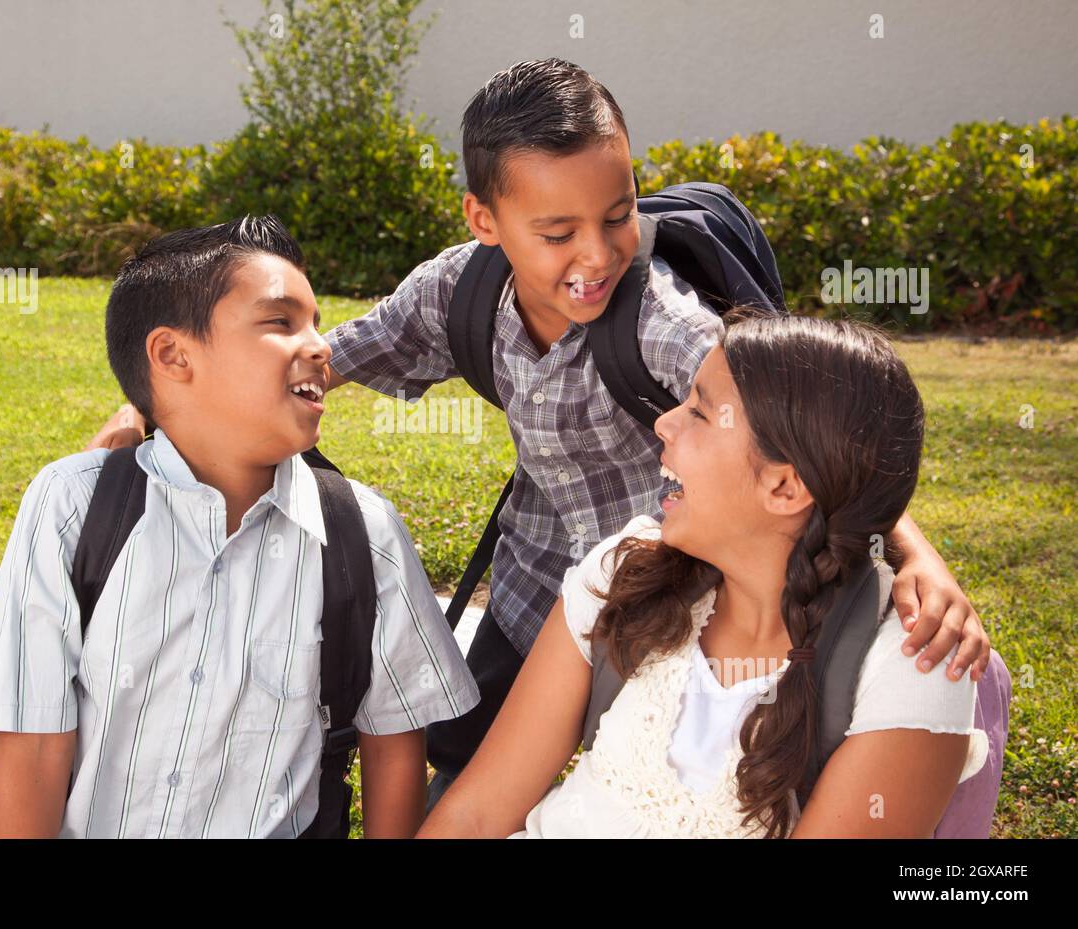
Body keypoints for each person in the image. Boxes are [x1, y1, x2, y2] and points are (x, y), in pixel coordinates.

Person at [87, 59, 992, 809]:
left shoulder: (666, 327)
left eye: (617, 215)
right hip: (538, 587)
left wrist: (910, 551)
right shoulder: (460, 291)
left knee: (664, 767)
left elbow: (801, 443)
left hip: (668, 586)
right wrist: (153, 408)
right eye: (556, 232)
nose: (596, 256)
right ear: (485, 223)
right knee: (466, 778)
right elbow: (342, 352)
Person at [0, 216, 479, 838]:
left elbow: (393, 741)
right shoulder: (73, 505)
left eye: (314, 322)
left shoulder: (362, 532)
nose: (319, 345)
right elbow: (33, 743)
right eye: (281, 322)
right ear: (173, 355)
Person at [418, 310, 990, 838]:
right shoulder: (623, 569)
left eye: (698, 411)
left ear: (785, 486)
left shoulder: (911, 664)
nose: (663, 424)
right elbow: (476, 814)